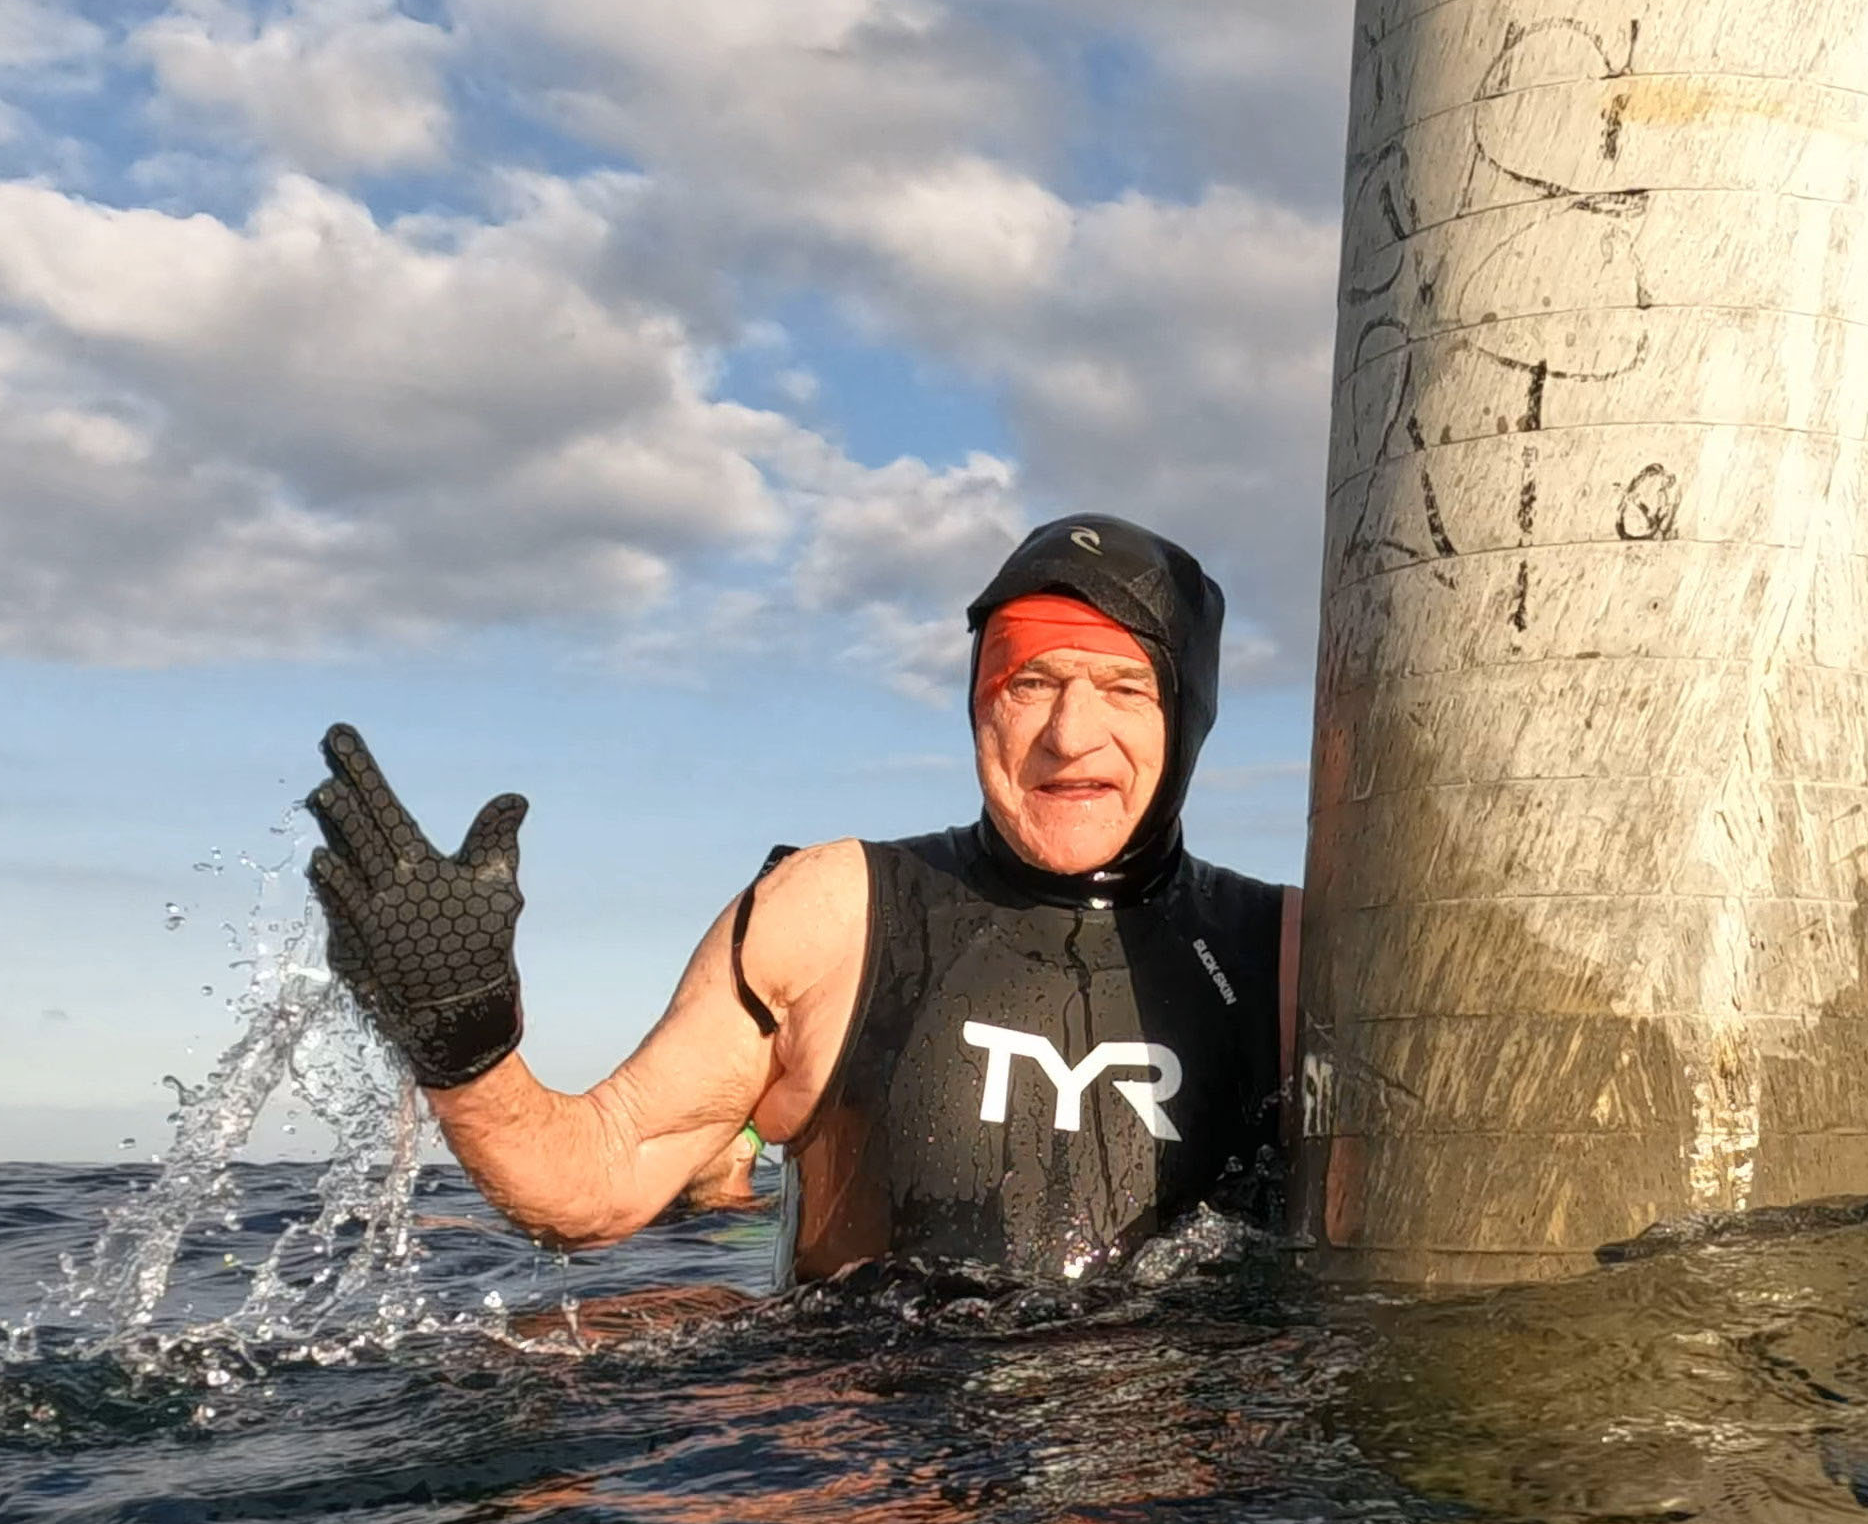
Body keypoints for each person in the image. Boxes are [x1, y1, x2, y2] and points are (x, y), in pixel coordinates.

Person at [303, 515, 1291, 1283]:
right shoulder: (833, 914)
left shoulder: (1291, 953)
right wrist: (461, 1041)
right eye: (1029, 682)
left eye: (1123, 689)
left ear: (1186, 716)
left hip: (1181, 1475)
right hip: (869, 1472)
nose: (1070, 734)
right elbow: (593, 1184)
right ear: (978, 705)